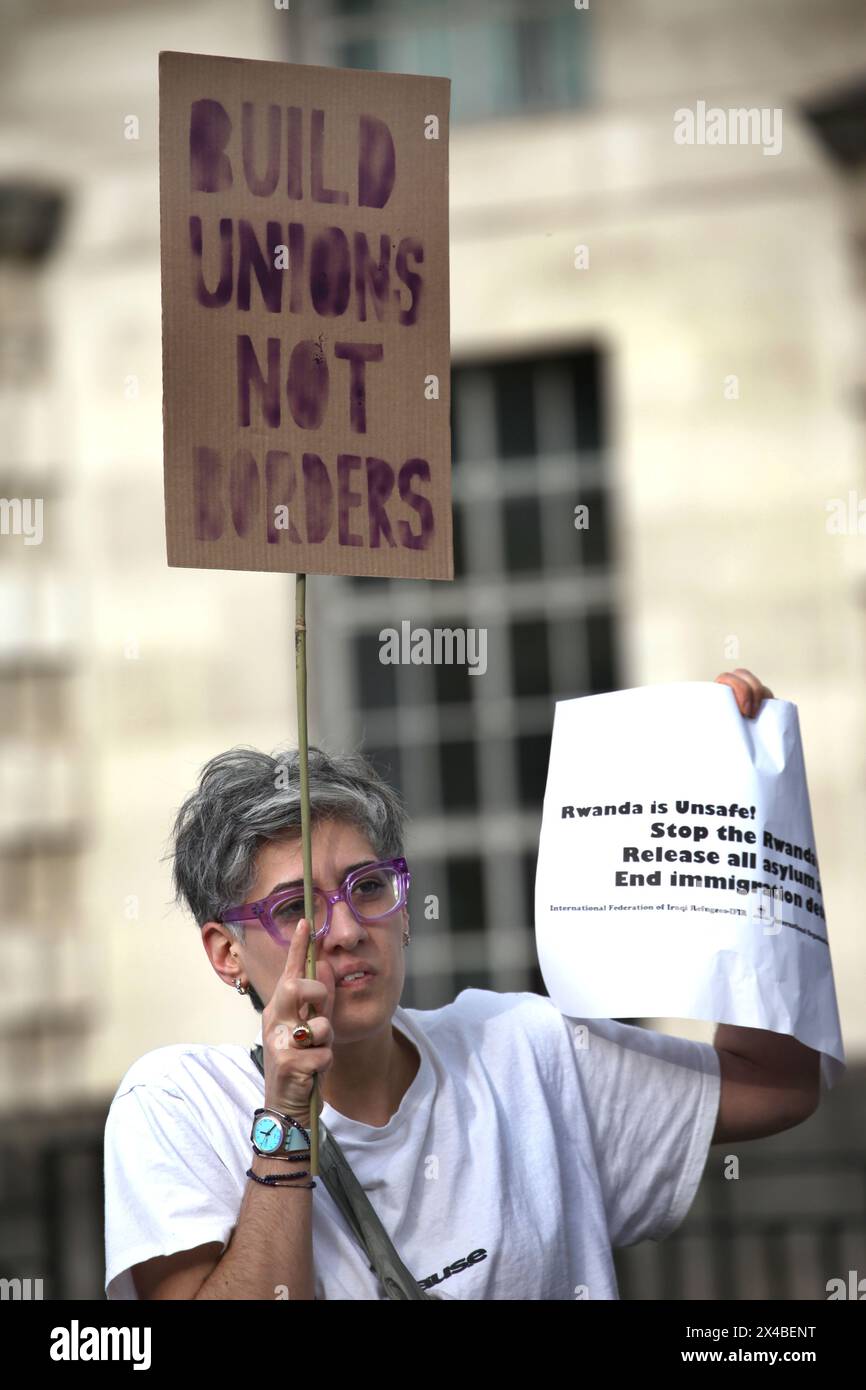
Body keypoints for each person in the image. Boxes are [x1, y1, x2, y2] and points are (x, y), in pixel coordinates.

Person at [102, 667, 821, 1300]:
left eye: (370, 885)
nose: (348, 930)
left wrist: (740, 812)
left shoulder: (519, 1048)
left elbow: (777, 1084)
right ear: (225, 952)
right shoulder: (176, 1103)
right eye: (296, 909)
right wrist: (288, 1114)